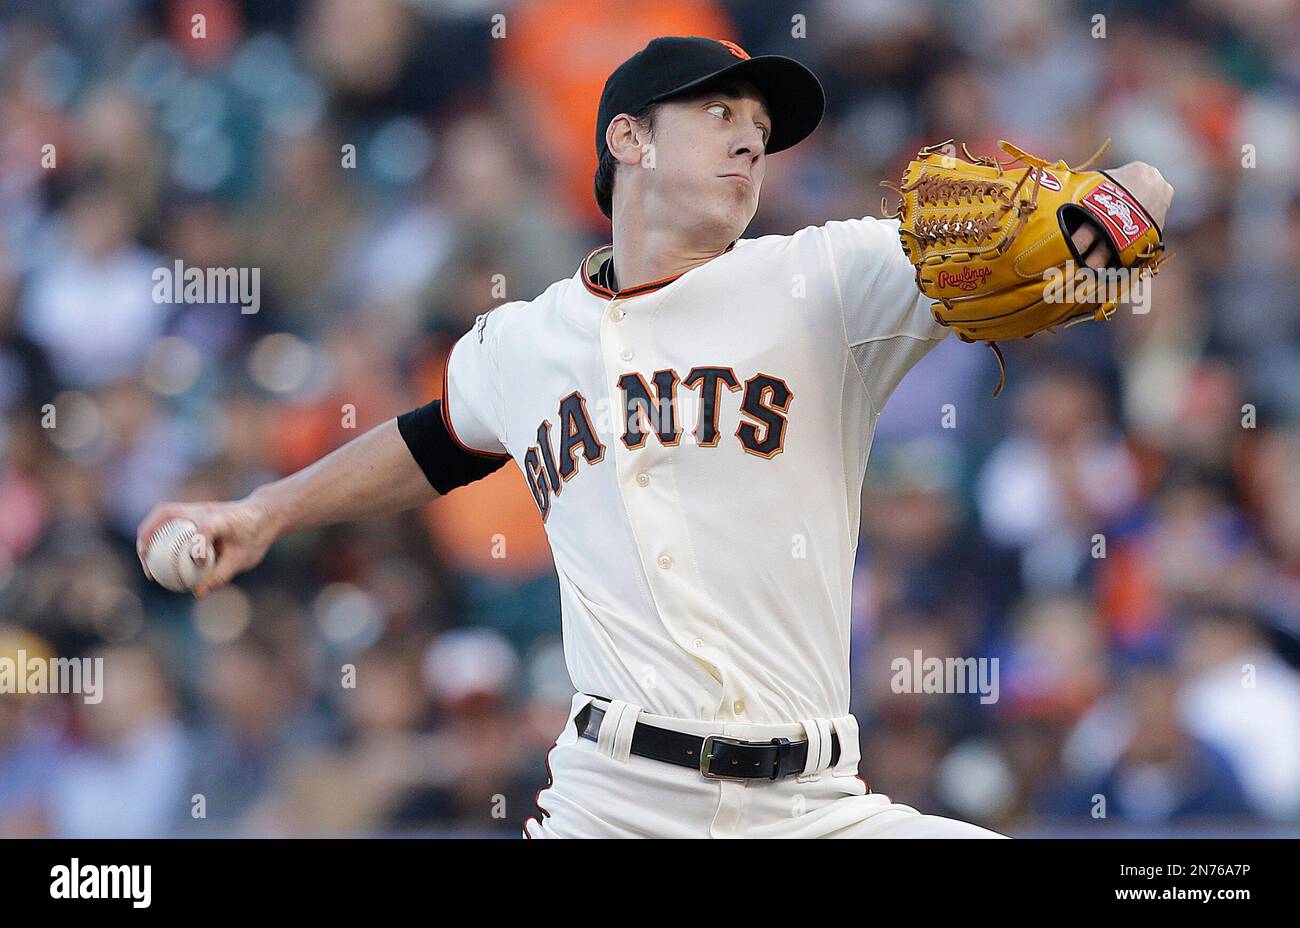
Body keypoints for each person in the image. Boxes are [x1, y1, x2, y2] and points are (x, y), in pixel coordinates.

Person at [138, 36, 1173, 838]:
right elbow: (433, 441)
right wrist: (265, 509)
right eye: (719, 113)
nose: (749, 139)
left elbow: (1114, 227)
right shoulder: (521, 341)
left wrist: (1117, 213)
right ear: (627, 139)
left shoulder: (828, 275)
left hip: (813, 802)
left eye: (760, 127)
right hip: (616, 802)